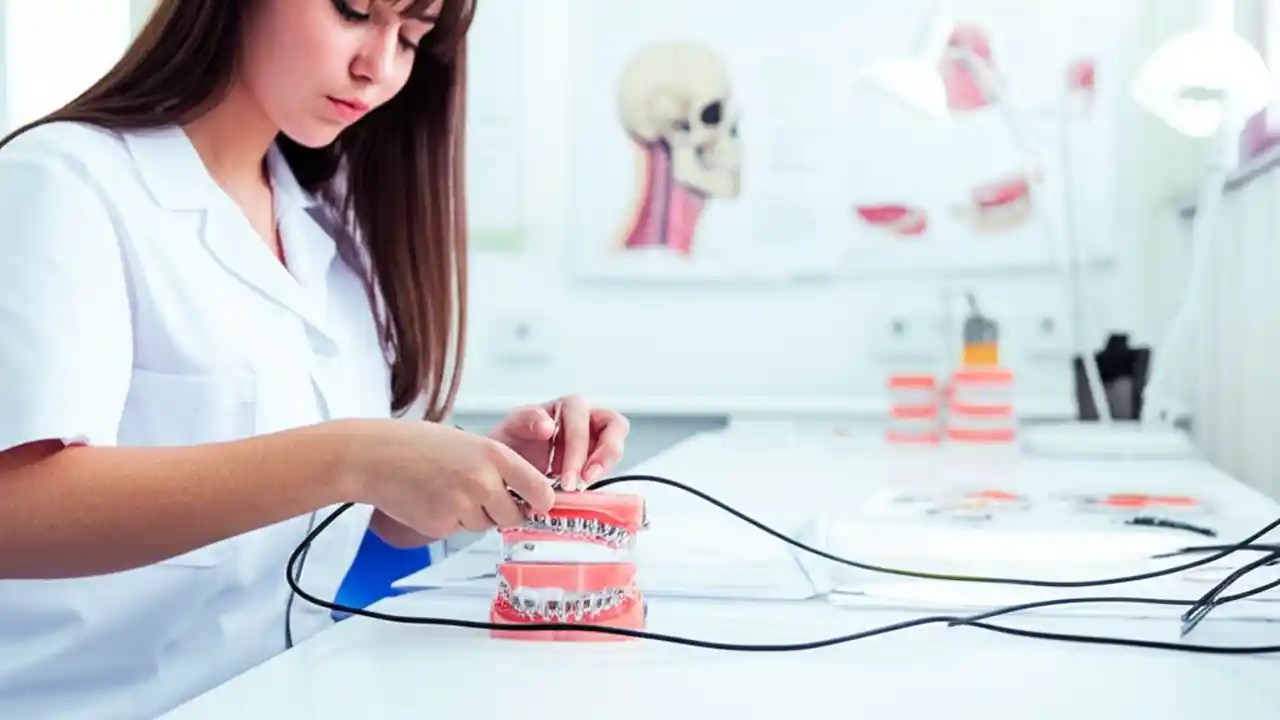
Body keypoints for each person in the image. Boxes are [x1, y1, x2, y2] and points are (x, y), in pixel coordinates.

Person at [0, 1, 631, 717]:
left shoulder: (325, 219)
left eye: (412, 39)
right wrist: (355, 455)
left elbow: (331, 512)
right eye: (356, 12)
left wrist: (473, 474)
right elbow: (13, 512)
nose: (380, 67)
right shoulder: (63, 182)